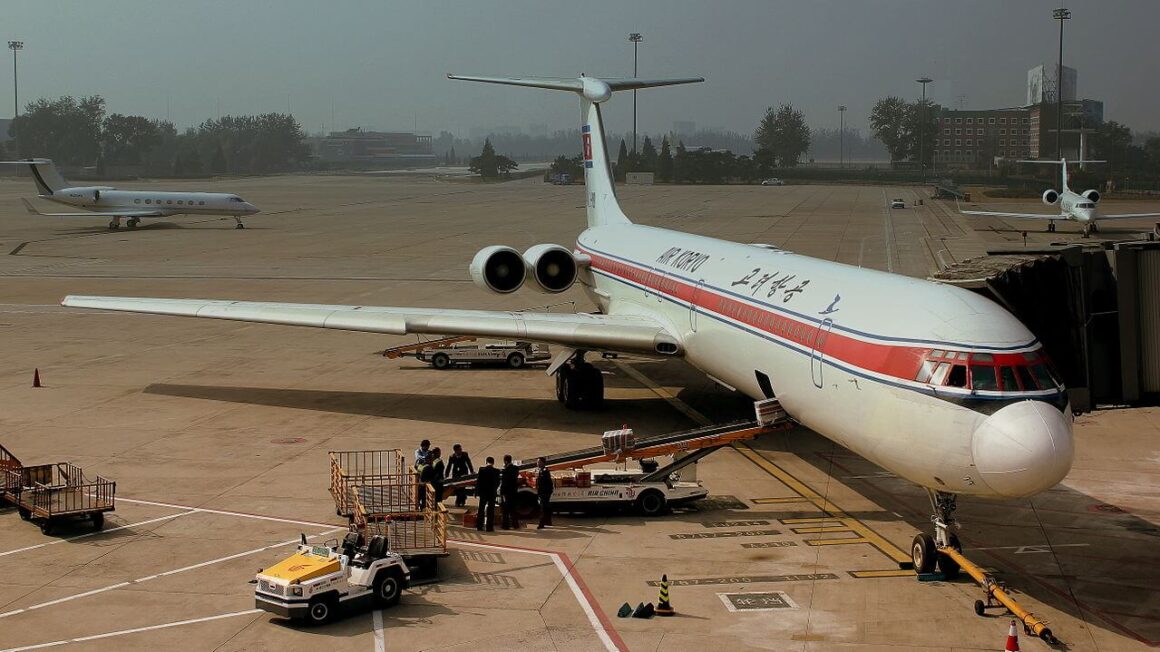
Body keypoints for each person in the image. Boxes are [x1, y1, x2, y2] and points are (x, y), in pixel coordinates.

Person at [475, 456, 500, 532]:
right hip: (491, 493)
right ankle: (489, 527)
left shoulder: (482, 470)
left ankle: (479, 526)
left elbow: (478, 482)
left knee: (481, 509)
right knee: (490, 510)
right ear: (493, 463)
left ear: (486, 462)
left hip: (483, 493)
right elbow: (497, 483)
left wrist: (477, 492)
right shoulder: (496, 471)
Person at [446, 444, 474, 508]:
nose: (460, 451)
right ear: (455, 451)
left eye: (461, 449)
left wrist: (471, 471)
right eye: (459, 450)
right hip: (456, 473)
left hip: (463, 472)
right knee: (457, 488)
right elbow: (449, 466)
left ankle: (460, 501)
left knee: (462, 487)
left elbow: (469, 463)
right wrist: (446, 474)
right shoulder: (452, 457)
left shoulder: (465, 454)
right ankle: (461, 499)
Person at [500, 454, 519, 530]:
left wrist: (502, 493)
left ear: (505, 461)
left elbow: (504, 483)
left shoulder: (506, 471)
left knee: (505, 510)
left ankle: (505, 525)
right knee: (513, 509)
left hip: (507, 493)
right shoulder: (515, 468)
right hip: (514, 491)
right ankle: (515, 524)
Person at [535, 456, 553, 529]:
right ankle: (548, 521)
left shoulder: (544, 471)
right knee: (546, 507)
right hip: (544, 492)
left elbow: (543, 482)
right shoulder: (541, 470)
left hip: (545, 492)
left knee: (543, 508)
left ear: (542, 463)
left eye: (539, 462)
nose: (537, 463)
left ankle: (541, 524)